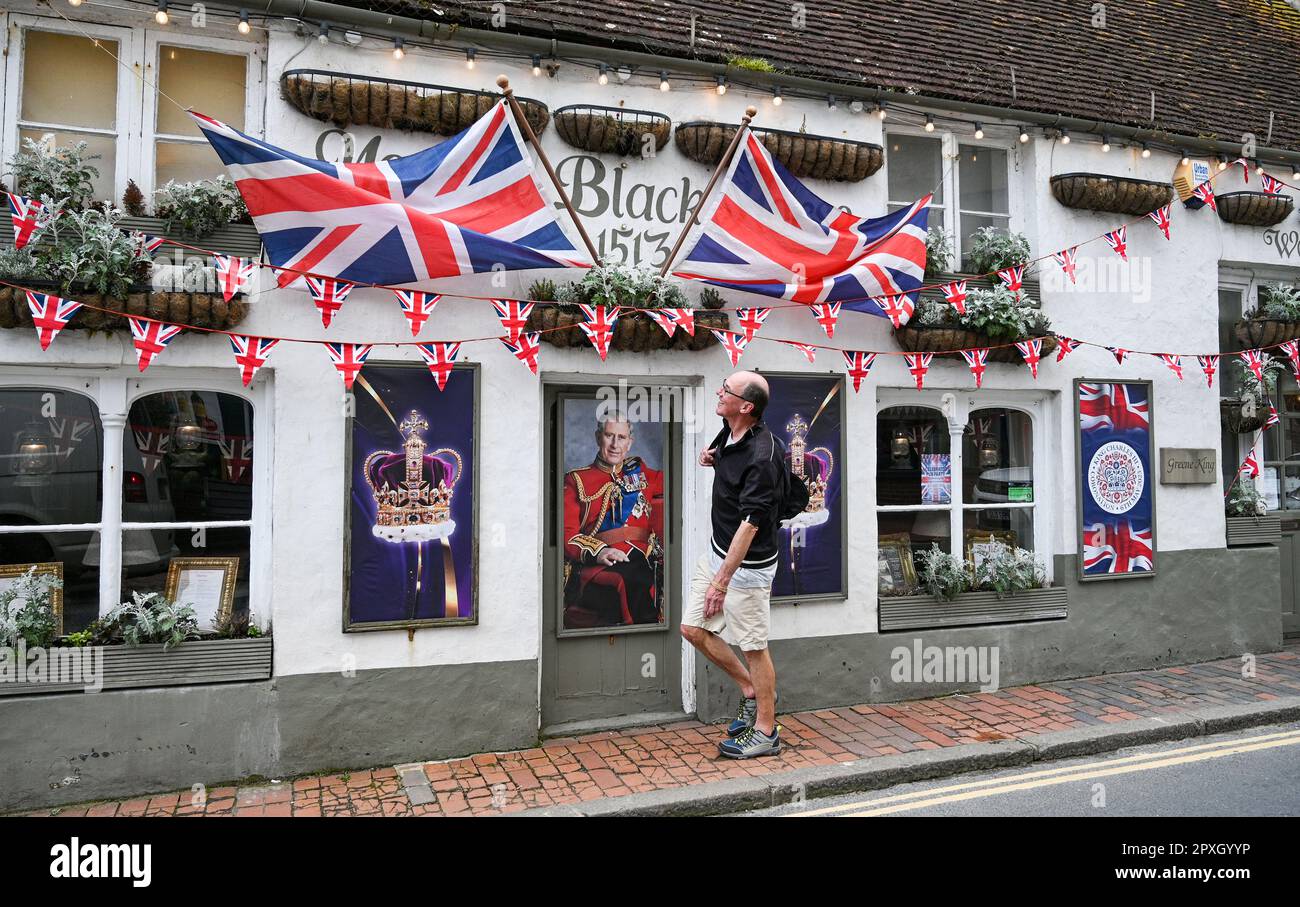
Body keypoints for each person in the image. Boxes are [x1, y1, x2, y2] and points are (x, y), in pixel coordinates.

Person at [681, 370, 784, 758]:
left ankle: (766, 731)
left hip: (748, 566)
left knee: (754, 646)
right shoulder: (730, 431)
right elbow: (727, 458)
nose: (718, 392)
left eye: (726, 390)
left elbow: (751, 523)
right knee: (692, 628)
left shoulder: (763, 456)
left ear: (747, 406)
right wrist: (713, 457)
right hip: (717, 553)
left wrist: (722, 582)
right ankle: (750, 690)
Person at [562, 412, 665, 628]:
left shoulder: (646, 474)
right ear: (598, 437)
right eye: (609, 436)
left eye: (621, 437)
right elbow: (567, 535)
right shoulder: (576, 480)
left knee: (644, 574)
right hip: (600, 565)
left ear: (630, 442)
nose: (615, 444)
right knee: (633, 578)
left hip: (643, 559)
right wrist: (600, 552)